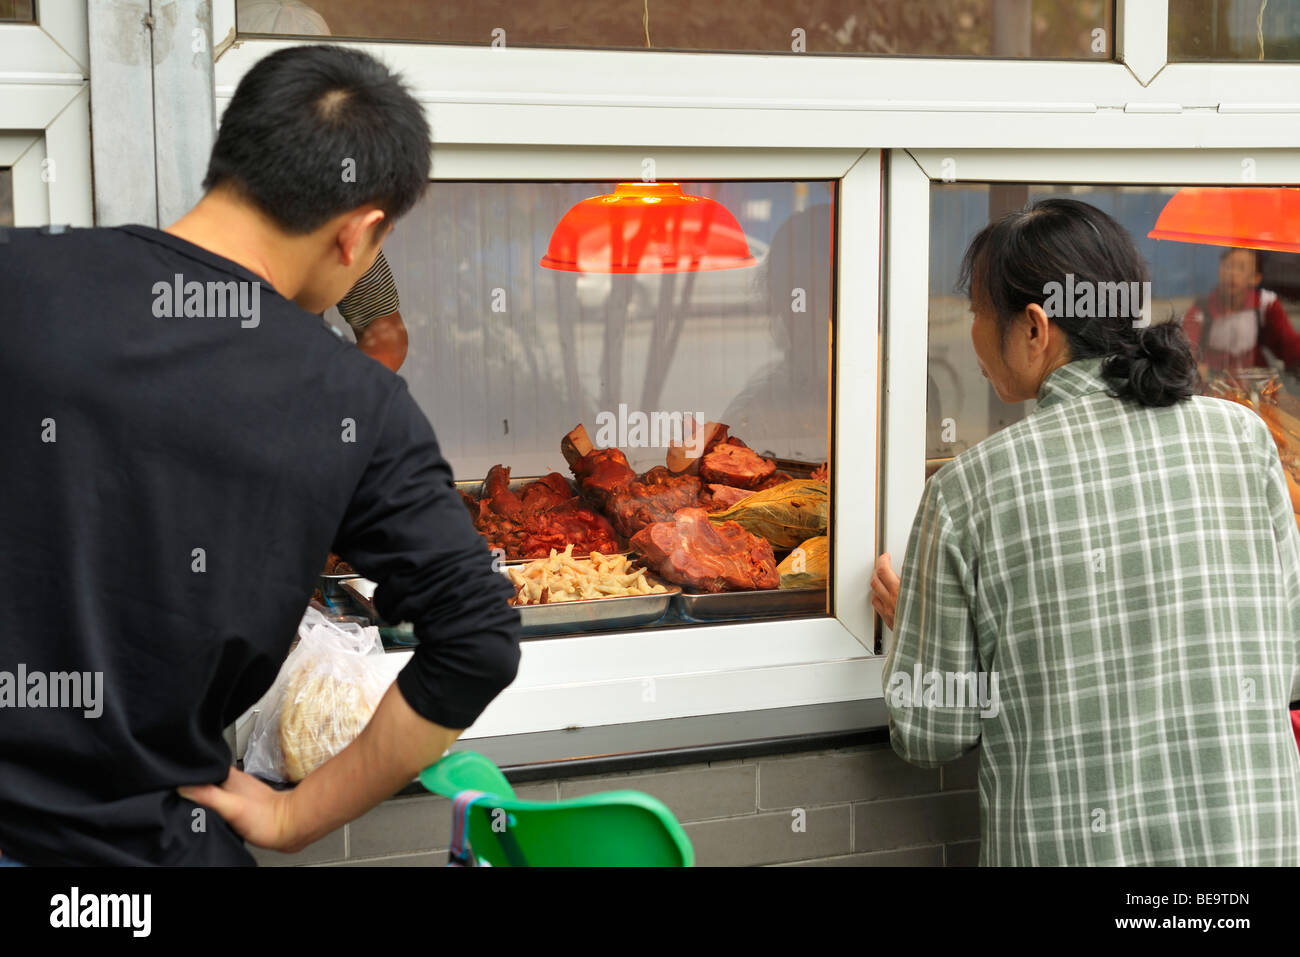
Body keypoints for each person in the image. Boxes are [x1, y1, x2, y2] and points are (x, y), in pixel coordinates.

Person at [0, 45, 520, 866]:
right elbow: (478, 638)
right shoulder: (357, 403)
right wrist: (295, 816)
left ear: (229, 155)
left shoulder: (18, 279)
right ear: (361, 234)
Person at [870, 198, 1300, 865]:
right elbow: (1288, 657)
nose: (974, 333)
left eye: (979, 313)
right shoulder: (1244, 440)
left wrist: (927, 632)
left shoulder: (969, 490)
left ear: (1035, 328)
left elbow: (929, 731)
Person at [1181, 246, 1300, 376]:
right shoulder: (1202, 308)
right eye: (1227, 266)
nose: (1232, 273)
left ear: (1255, 278)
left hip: (1255, 387)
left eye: (1241, 268)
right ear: (1219, 271)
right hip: (1214, 388)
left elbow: (1290, 349)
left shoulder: (1265, 305)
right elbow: (1185, 353)